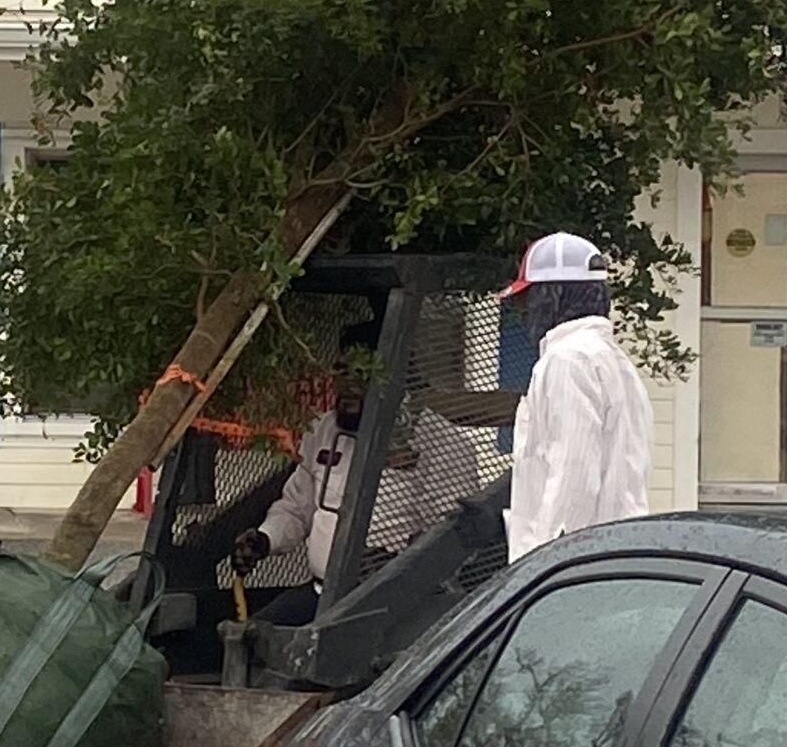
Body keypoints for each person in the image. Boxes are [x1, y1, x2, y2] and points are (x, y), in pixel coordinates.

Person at [229, 323, 476, 624]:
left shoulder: (439, 440)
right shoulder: (324, 428)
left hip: (396, 607)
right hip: (324, 593)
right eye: (342, 372)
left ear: (392, 376)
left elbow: (454, 535)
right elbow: (297, 508)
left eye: (360, 374)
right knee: (252, 641)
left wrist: (400, 562)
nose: (347, 385)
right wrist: (266, 538)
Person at [504, 232, 652, 559]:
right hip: (614, 554)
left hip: (576, 569)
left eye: (529, 300)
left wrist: (545, 566)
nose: (526, 313)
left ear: (553, 296)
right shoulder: (614, 360)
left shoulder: (566, 360)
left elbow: (575, 474)